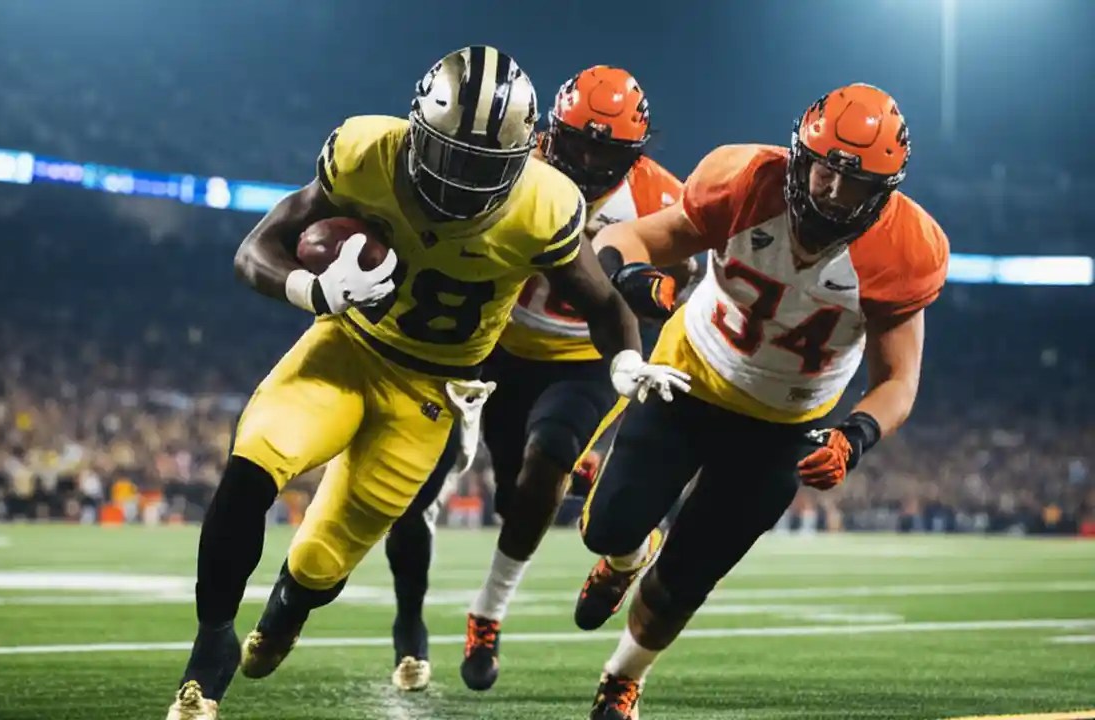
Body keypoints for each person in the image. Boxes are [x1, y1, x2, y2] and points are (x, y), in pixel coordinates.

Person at [164, 45, 690, 720]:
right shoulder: (366, 153)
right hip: (348, 349)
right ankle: (209, 650)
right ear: (416, 131)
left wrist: (620, 362)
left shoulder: (542, 202)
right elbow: (255, 249)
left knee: (323, 562)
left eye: (486, 166)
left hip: (429, 392)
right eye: (451, 155)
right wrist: (312, 288)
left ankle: (290, 604)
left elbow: (605, 304)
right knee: (253, 464)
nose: (466, 179)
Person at [577, 84, 949, 719]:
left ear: (885, 191)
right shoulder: (746, 181)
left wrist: (854, 436)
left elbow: (899, 381)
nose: (833, 189)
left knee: (685, 582)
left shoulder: (904, 250)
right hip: (690, 378)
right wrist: (638, 280)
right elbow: (622, 243)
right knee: (607, 526)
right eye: (827, 167)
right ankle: (626, 555)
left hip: (785, 423)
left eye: (854, 182)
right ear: (801, 152)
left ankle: (622, 679)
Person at [382, 65, 693, 693]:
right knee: (516, 492)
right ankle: (600, 511)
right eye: (577, 141)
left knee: (544, 460)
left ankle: (487, 614)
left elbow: (681, 270)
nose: (587, 158)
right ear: (552, 130)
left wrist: (651, 283)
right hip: (492, 342)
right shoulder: (514, 168)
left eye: (605, 149)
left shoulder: (658, 198)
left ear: (634, 152)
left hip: (586, 354)